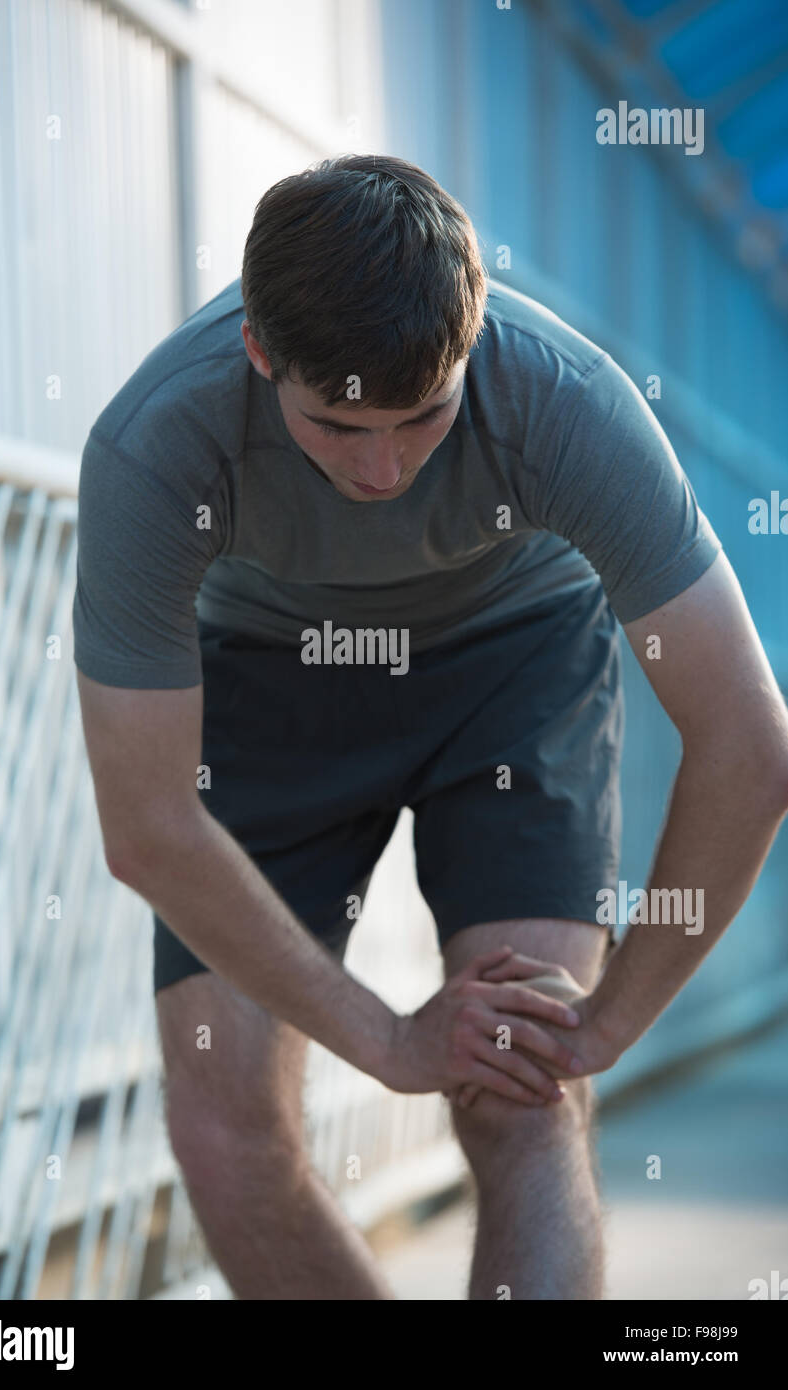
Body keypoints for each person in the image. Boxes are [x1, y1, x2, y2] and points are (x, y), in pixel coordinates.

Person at [72, 154, 788, 1300]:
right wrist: (389, 1039)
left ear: (477, 335)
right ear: (260, 351)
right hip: (269, 675)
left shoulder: (563, 399)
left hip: (514, 655)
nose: (386, 467)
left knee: (523, 1092)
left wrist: (602, 1027)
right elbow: (146, 824)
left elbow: (751, 742)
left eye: (425, 416)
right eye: (340, 424)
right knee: (221, 1129)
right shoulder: (154, 444)